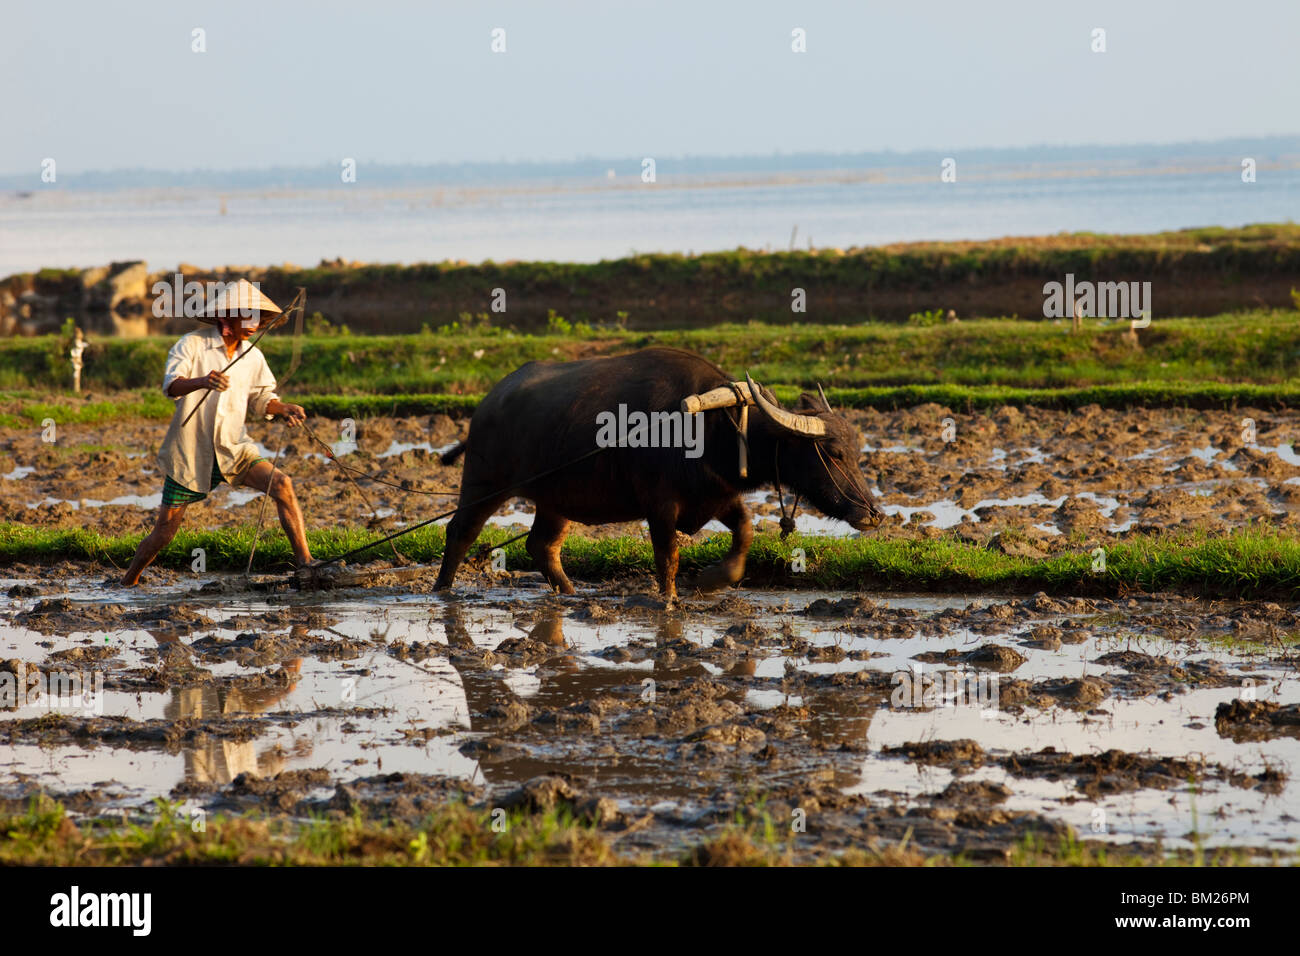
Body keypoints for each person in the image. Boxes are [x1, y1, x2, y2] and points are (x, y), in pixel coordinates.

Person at [121, 279, 312, 586]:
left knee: (282, 484)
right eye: (247, 316)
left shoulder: (252, 355)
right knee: (165, 532)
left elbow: (263, 399)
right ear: (228, 316)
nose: (253, 324)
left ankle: (305, 563)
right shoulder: (193, 344)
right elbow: (171, 385)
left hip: (233, 447)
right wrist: (202, 381)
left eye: (258, 318)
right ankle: (128, 580)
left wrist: (283, 407)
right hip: (192, 451)